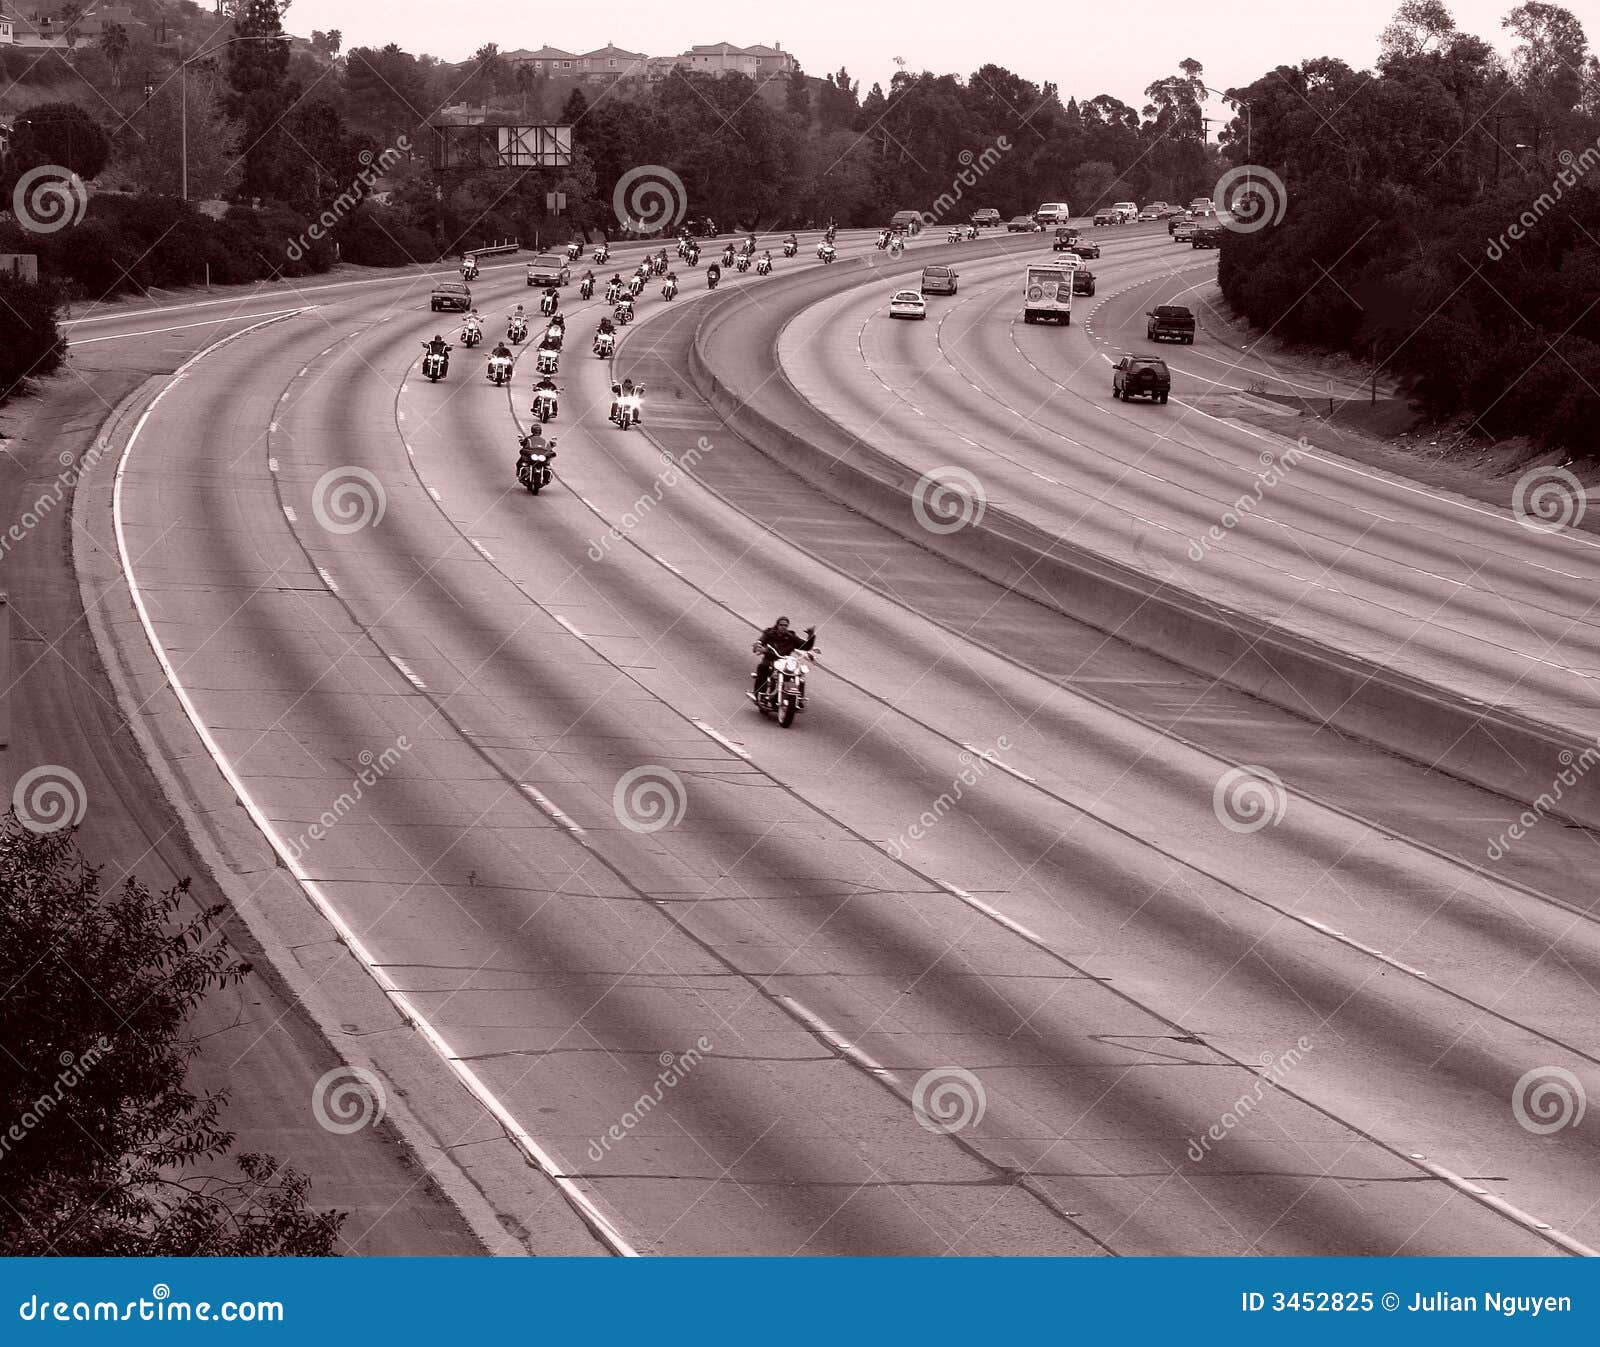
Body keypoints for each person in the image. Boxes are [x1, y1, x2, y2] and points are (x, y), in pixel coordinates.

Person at [752, 617, 816, 701]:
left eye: (785, 625)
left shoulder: (791, 636)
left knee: (798, 673)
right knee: (763, 668)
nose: (783, 627)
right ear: (777, 625)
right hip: (770, 658)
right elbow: (761, 640)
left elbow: (805, 646)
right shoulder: (769, 633)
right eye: (781, 625)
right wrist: (758, 645)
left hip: (784, 661)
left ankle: (799, 698)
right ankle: (759, 695)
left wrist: (811, 636)